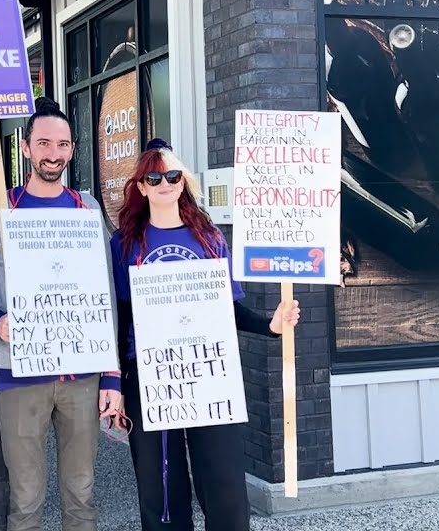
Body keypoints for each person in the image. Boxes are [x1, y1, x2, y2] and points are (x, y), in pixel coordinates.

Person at [110, 139, 300, 531]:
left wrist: (270, 326)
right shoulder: (124, 244)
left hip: (209, 371)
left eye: (172, 176)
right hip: (149, 374)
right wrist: (114, 382)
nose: (165, 183)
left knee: (223, 482)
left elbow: (227, 309)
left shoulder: (208, 237)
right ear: (141, 186)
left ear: (183, 181)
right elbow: (118, 316)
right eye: (154, 177)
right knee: (161, 488)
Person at [0, 97, 124, 531]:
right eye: (44, 143)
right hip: (20, 376)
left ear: (72, 149)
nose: (54, 154)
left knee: (82, 496)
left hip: (83, 375)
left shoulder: (87, 208)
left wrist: (112, 375)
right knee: (26, 499)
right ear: (26, 147)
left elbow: (104, 292)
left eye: (63, 144)